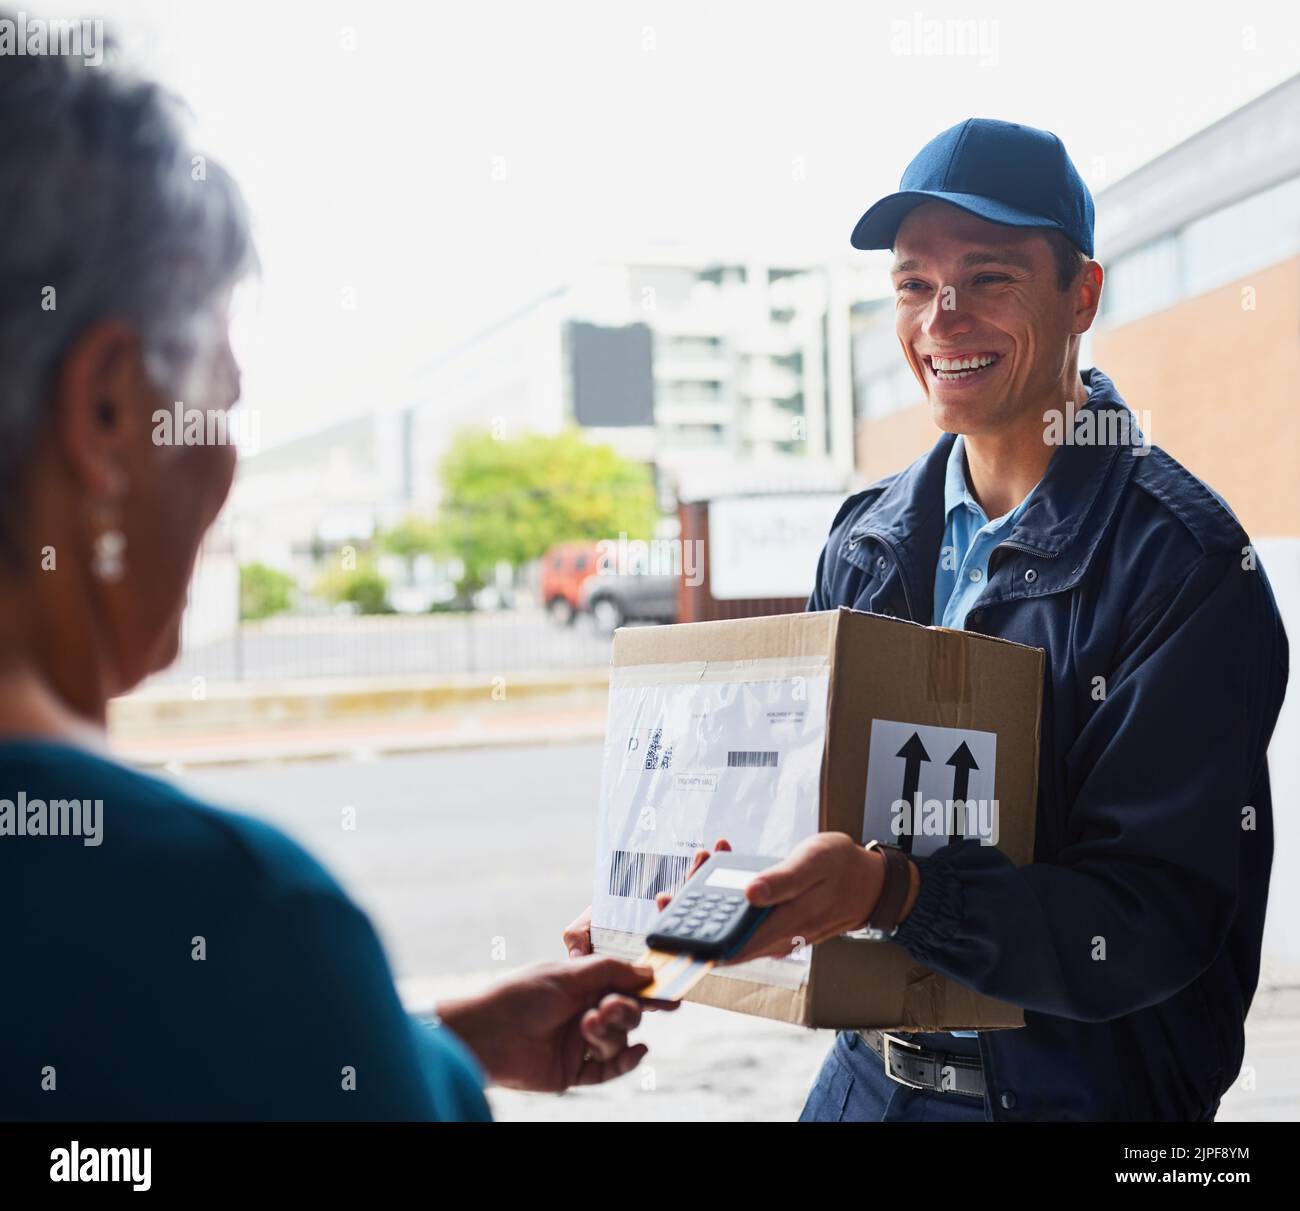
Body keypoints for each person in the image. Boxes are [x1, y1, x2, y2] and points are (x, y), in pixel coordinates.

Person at [568, 119, 1290, 1123]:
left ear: (1081, 292)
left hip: (1085, 1097)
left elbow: (1148, 920)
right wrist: (664, 932)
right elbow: (807, 826)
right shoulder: (864, 539)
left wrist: (897, 893)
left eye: (990, 277)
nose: (942, 319)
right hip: (874, 1078)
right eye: (913, 285)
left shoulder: (1184, 565)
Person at [0, 31, 662, 1122]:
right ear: (109, 411)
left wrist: (413, 1047)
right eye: (221, 394)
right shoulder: (221, 912)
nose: (224, 465)